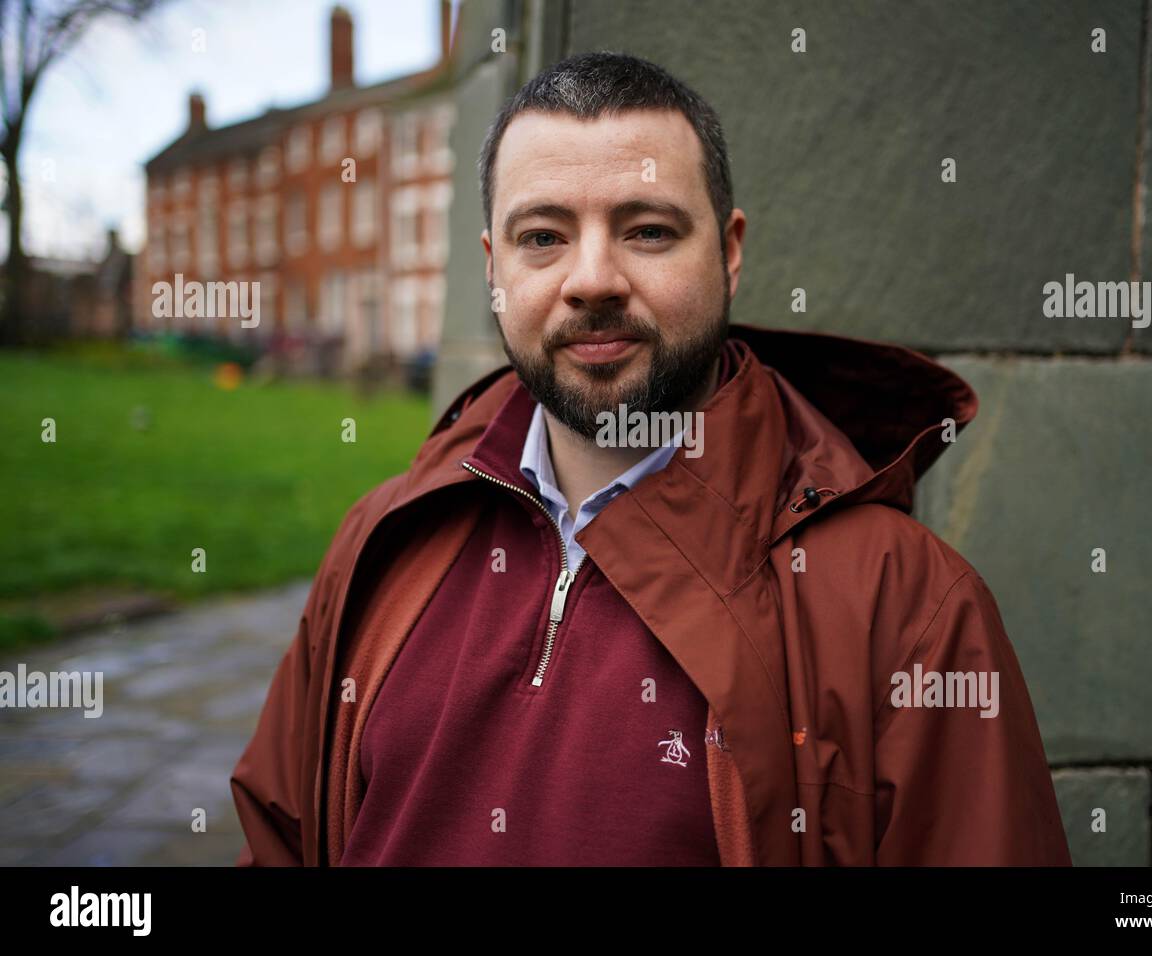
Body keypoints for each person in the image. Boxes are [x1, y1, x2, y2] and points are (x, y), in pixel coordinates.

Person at [231, 50, 1071, 866]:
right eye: (543, 236)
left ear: (730, 252)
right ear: (493, 267)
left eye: (647, 230)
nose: (592, 278)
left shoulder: (907, 607)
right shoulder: (382, 541)